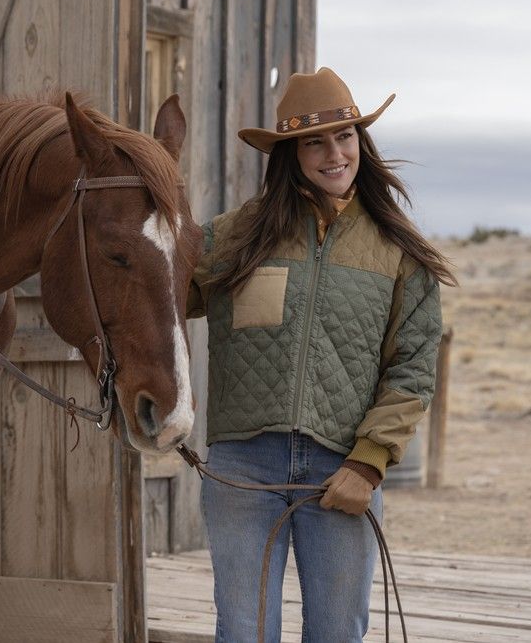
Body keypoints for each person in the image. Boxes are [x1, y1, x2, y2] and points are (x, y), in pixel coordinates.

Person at [186, 67, 458, 642]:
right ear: (291, 153)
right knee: (243, 634)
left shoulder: (397, 250)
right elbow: (154, 294)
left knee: (337, 634)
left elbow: (413, 369)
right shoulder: (237, 234)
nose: (334, 154)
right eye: (314, 142)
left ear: (362, 142)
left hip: (343, 466)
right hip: (243, 465)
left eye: (345, 136)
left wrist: (369, 463)